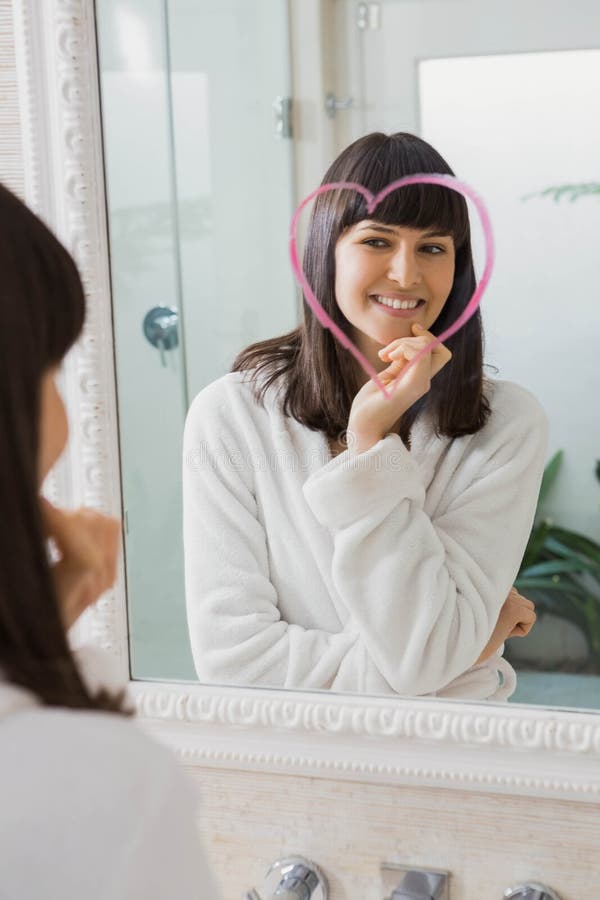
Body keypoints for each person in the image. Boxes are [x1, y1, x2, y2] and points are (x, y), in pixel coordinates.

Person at [183, 131, 545, 701]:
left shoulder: (505, 424)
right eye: (377, 240)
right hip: (291, 763)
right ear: (326, 251)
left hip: (455, 760)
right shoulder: (232, 415)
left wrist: (370, 441)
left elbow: (425, 657)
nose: (406, 274)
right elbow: (234, 663)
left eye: (433, 247)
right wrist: (461, 652)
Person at [0, 183, 219, 899]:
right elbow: (238, 646)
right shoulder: (86, 788)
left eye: (433, 247)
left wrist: (41, 630)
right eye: (52, 366)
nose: (406, 273)